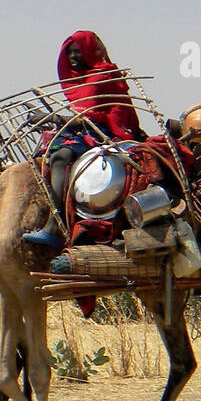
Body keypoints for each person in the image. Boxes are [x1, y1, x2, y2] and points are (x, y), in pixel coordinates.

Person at [23, 31, 144, 246]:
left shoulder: (100, 77)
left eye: (78, 52)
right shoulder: (83, 80)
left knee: (60, 156)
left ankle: (54, 224)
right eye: (69, 53)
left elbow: (85, 117)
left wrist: (53, 117)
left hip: (101, 132)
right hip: (84, 127)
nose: (73, 58)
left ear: (89, 52)